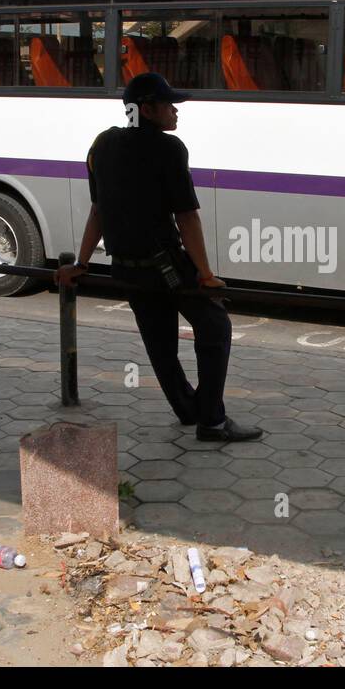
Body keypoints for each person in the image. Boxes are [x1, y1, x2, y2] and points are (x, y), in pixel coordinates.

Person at [56, 72, 262, 442]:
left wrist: (82, 263)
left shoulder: (101, 146)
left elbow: (98, 209)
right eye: (169, 105)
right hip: (165, 265)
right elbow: (186, 216)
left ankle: (188, 409)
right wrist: (206, 274)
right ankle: (212, 421)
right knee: (215, 325)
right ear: (148, 109)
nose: (176, 112)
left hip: (126, 269)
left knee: (161, 343)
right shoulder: (169, 149)